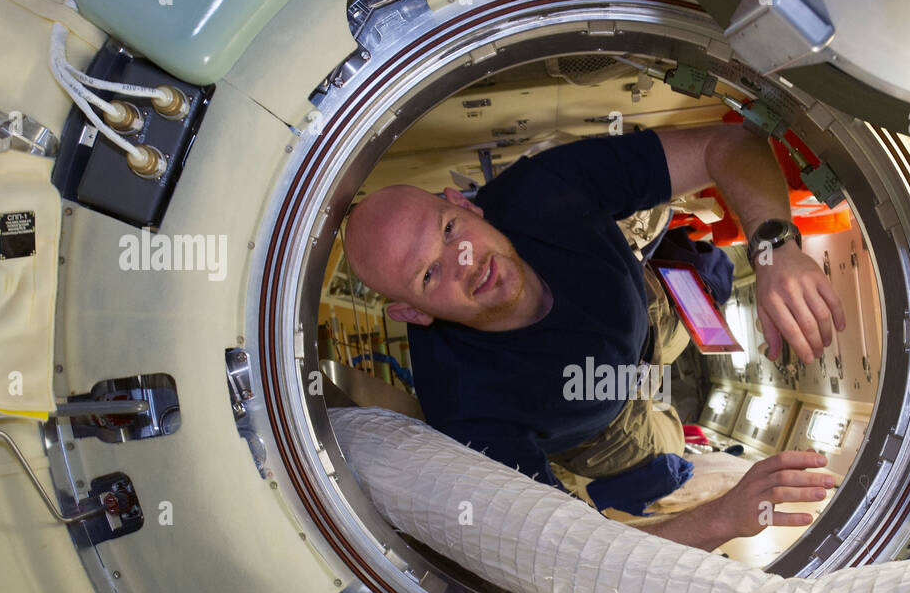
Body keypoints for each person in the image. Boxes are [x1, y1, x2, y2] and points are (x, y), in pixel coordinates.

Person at [342, 123, 845, 551]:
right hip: (607, 428)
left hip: (641, 313)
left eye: (449, 231)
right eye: (430, 274)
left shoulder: (542, 190)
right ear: (412, 312)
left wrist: (773, 246)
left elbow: (729, 145)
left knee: (693, 313)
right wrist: (720, 518)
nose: (467, 263)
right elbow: (574, 554)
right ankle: (670, 431)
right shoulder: (465, 406)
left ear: (463, 204)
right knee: (666, 459)